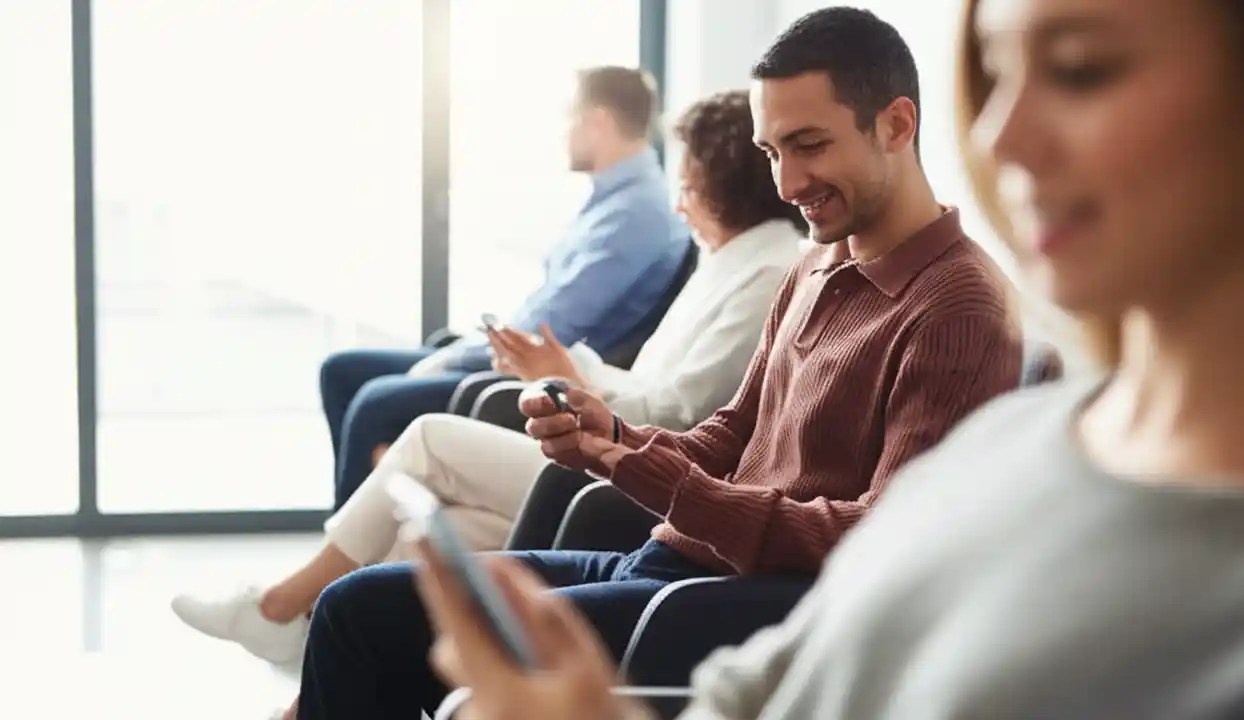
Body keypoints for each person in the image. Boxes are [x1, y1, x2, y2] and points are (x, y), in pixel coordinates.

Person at [413, 1, 1244, 718]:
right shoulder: (1009, 445)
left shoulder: (964, 317)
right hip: (686, 566)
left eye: (1083, 70)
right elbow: (779, 671)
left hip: (709, 587)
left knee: (384, 620)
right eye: (991, 77)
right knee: (399, 611)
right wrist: (616, 447)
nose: (996, 137)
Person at [286, 8, 1025, 718]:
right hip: (667, 563)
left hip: (720, 607)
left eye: (810, 145)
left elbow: (881, 537)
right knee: (360, 605)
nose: (787, 184)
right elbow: (734, 434)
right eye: (773, 152)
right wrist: (612, 439)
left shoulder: (958, 310)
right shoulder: (816, 263)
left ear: (896, 124)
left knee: (364, 625)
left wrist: (660, 478)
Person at [168, 90, 806, 665]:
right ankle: (311, 670)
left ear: (725, 187)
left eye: (689, 186)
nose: (679, 202)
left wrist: (572, 373)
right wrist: (572, 375)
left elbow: (678, 412)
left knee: (428, 438)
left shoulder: (767, 273)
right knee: (423, 535)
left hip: (632, 471)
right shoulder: (726, 262)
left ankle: (280, 608)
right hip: (617, 445)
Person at [319, 66, 688, 513]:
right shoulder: (612, 202)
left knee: (373, 402)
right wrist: (458, 351)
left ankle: (351, 549)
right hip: (511, 359)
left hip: (532, 378)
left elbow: (551, 328)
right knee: (341, 371)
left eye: (569, 118)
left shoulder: (636, 215)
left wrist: (452, 359)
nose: (564, 133)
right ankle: (355, 532)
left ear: (598, 122)